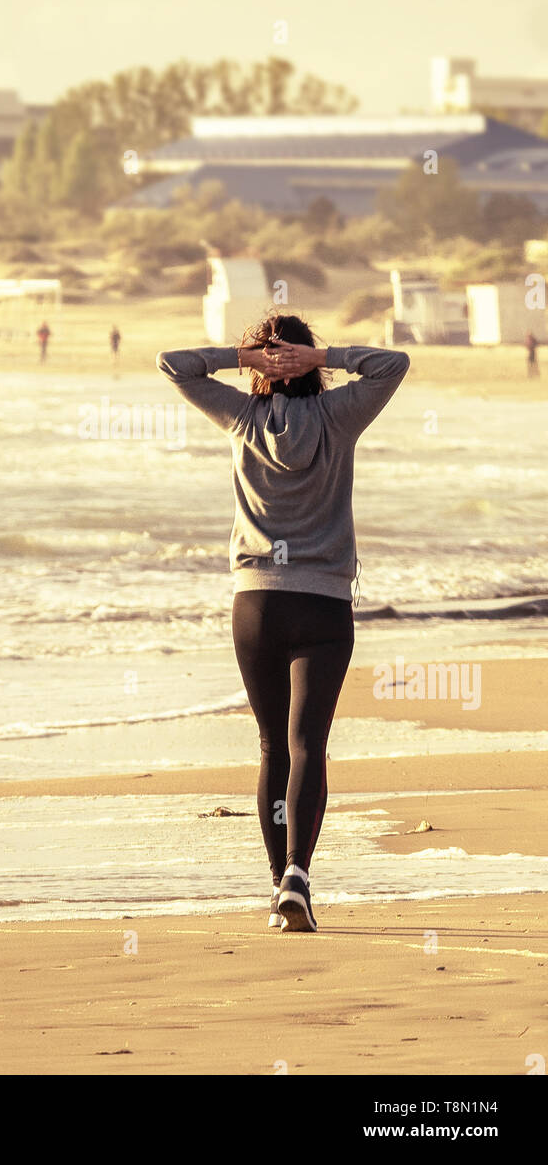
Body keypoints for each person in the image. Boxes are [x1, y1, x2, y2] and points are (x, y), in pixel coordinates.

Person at [156, 312, 410, 932]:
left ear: (265, 366)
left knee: (272, 746)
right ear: (306, 362)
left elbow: (173, 363)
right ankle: (298, 873)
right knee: (307, 746)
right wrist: (321, 358)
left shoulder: (242, 418)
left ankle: (278, 889)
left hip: (258, 604)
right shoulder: (338, 417)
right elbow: (393, 364)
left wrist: (245, 357)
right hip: (323, 602)